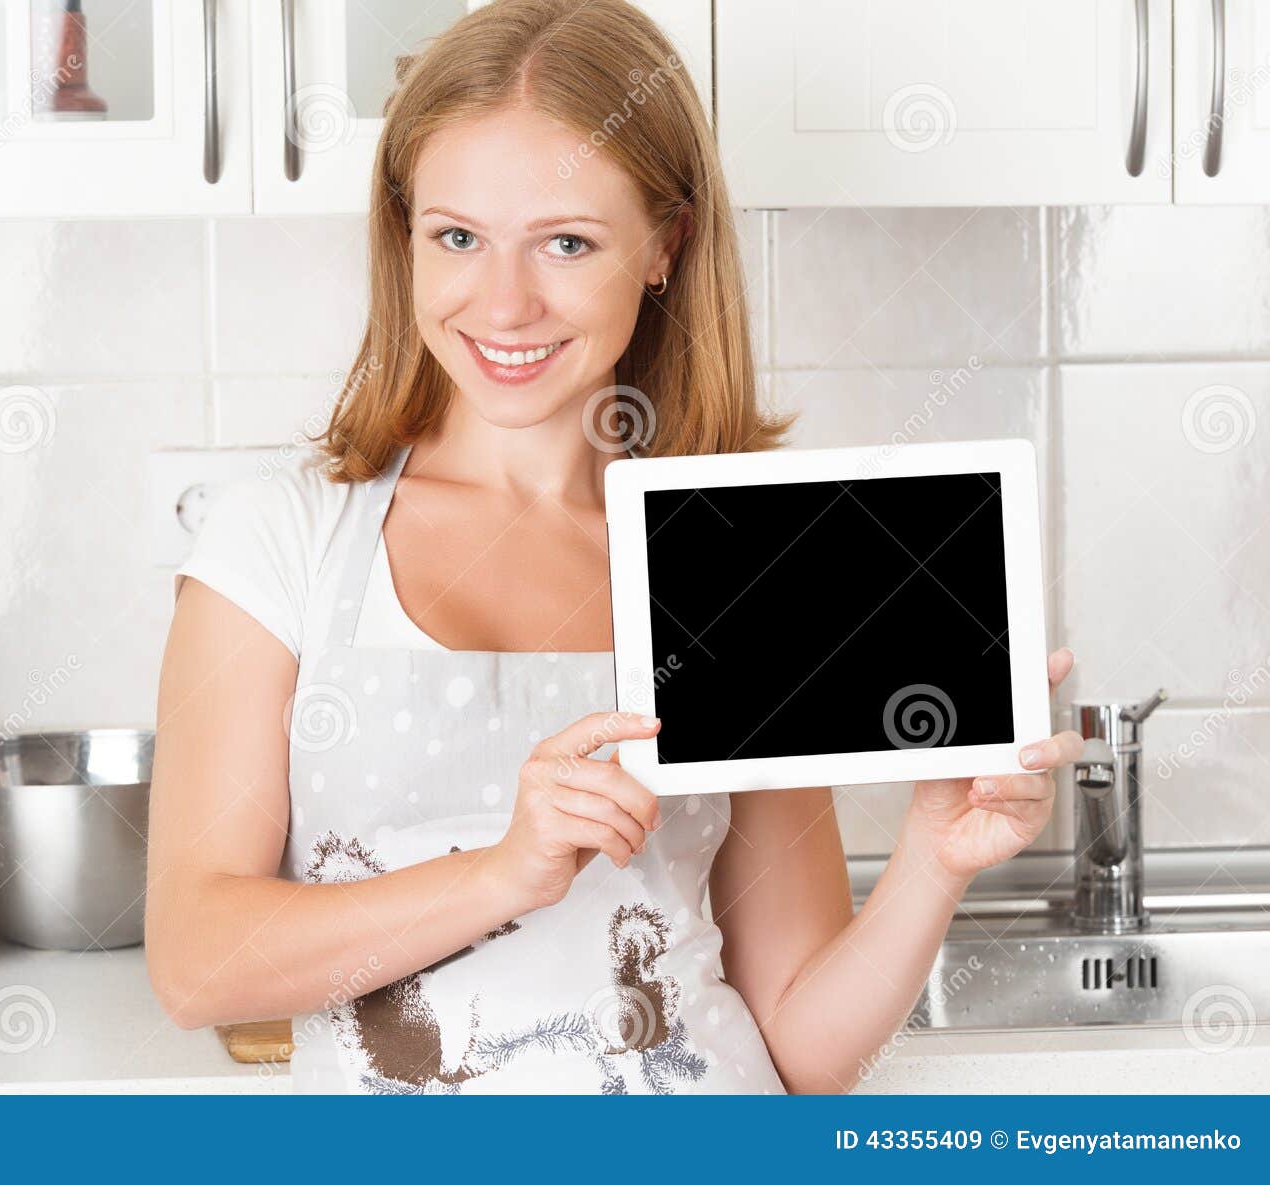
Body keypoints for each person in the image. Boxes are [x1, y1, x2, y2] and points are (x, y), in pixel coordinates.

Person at [144, 0, 1083, 1094]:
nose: (503, 302)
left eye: (567, 242)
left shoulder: (746, 550)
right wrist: (503, 874)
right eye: (456, 237)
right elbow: (197, 964)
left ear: (663, 245)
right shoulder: (280, 538)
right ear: (404, 234)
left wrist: (933, 861)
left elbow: (805, 1047)